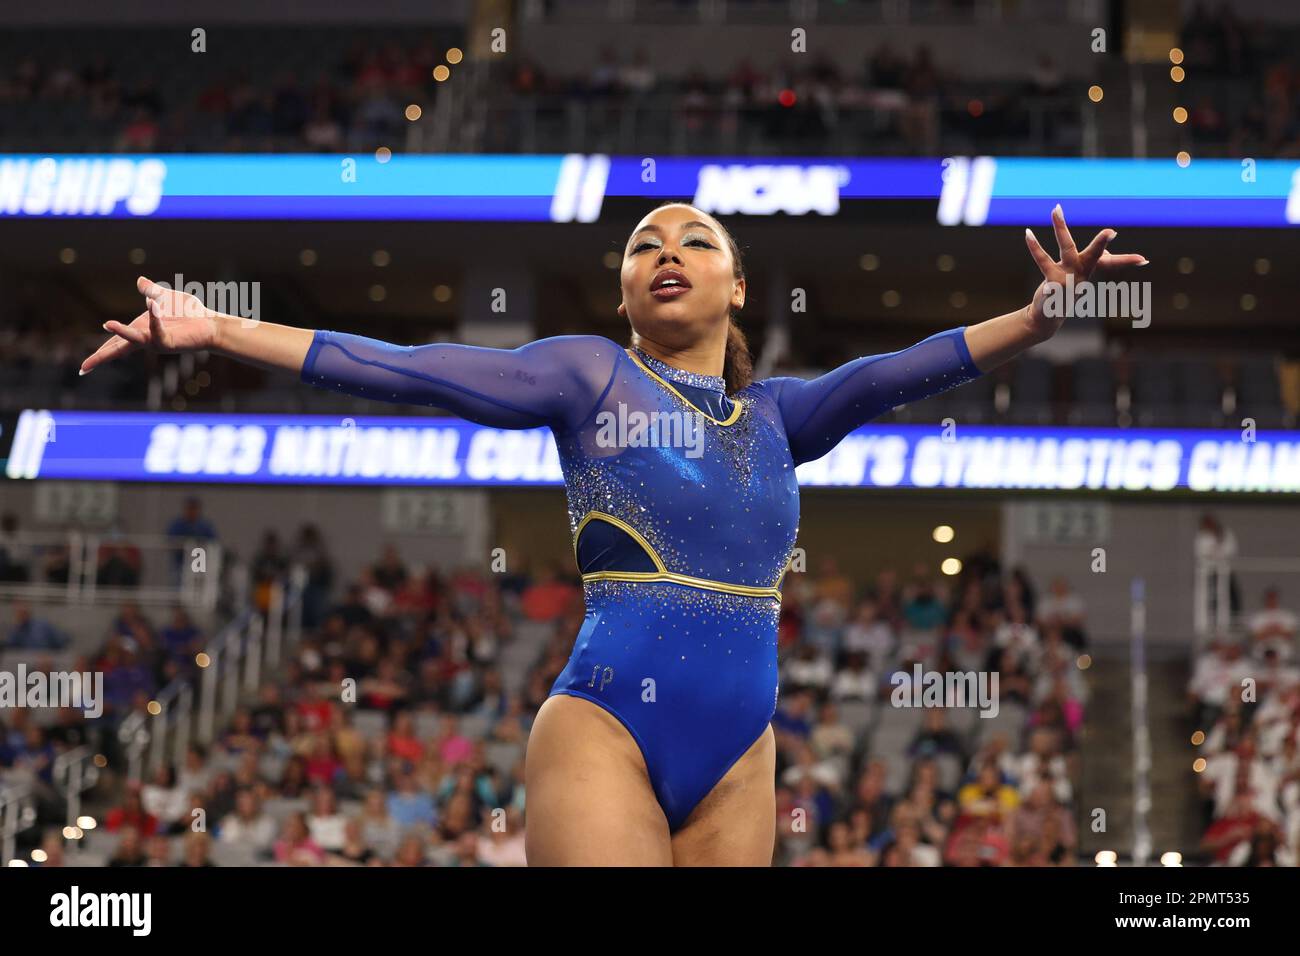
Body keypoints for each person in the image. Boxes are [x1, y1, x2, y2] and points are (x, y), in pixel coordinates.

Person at [80, 201, 1143, 865]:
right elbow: (407, 365)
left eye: (696, 240)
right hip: (605, 731)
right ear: (628, 292)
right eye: (644, 243)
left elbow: (896, 371)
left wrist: (1039, 318)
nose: (667, 250)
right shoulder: (588, 374)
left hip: (740, 752)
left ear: (737, 287)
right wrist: (215, 324)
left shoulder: (777, 414)